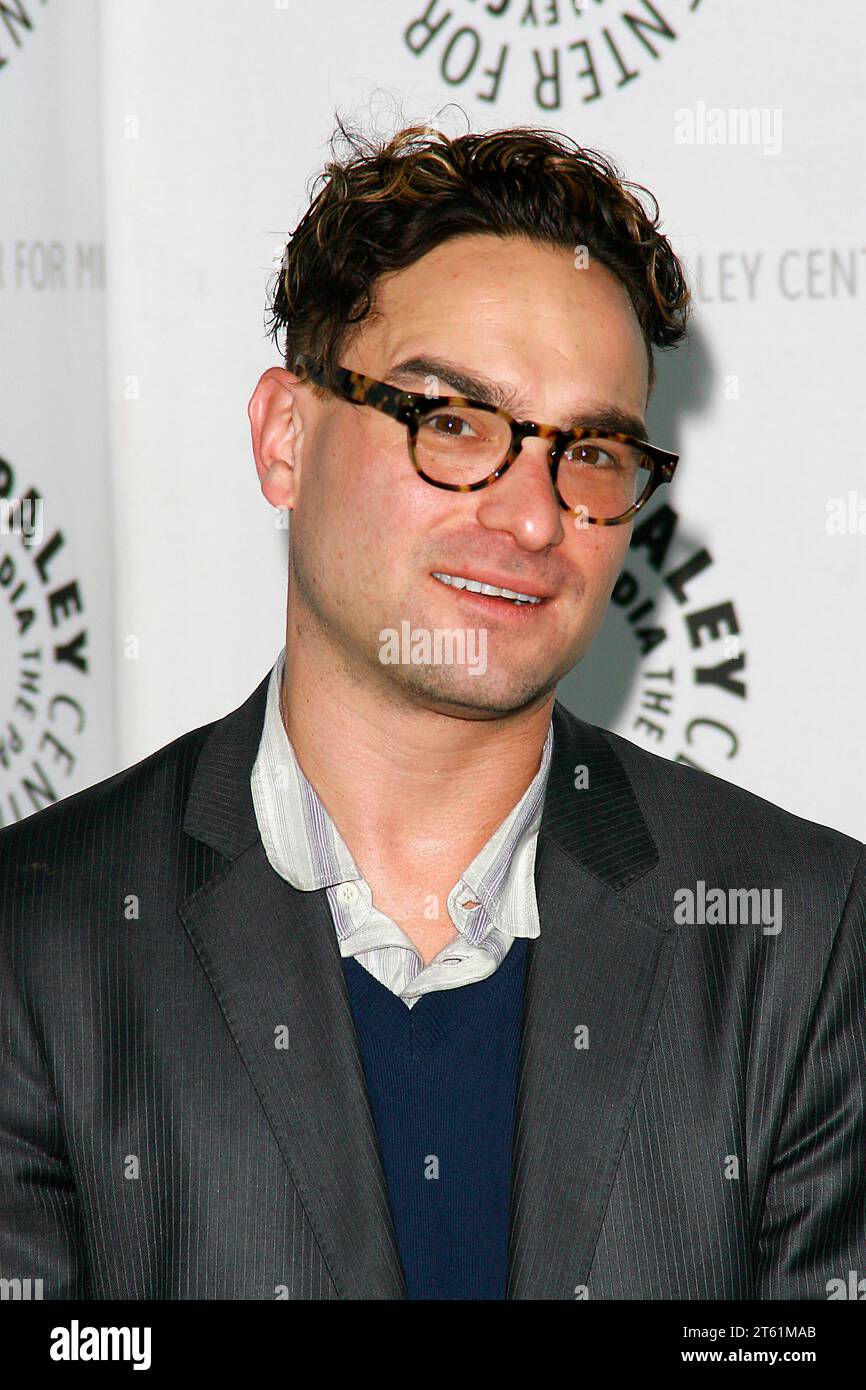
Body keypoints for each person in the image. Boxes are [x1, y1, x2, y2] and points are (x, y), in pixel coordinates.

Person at [1, 120, 863, 1302]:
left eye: (593, 452)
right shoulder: (39, 942)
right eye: (451, 421)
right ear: (284, 437)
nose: (529, 517)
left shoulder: (799, 943)